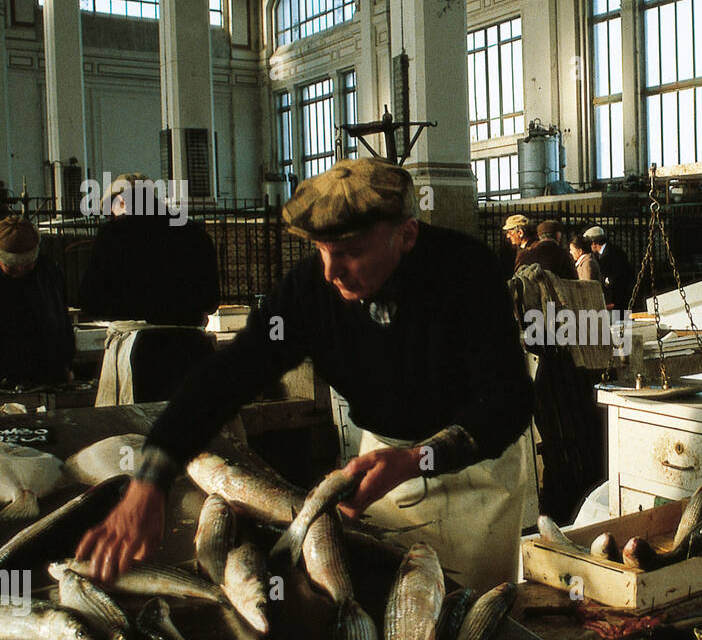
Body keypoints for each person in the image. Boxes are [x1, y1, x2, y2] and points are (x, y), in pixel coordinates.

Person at [77, 158, 535, 589]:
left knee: (462, 616)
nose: (332, 271)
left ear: (407, 234)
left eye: (352, 252)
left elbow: (508, 402)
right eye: (321, 251)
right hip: (378, 464)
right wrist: (151, 478)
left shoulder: (465, 271)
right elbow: (226, 377)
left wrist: (418, 460)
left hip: (475, 474)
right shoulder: (308, 290)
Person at [76, 173, 222, 403]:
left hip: (139, 354)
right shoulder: (193, 231)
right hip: (192, 349)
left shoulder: (113, 235)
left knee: (136, 433)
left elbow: (91, 298)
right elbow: (211, 300)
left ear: (121, 202)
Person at [0, 217, 74, 388]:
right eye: (12, 266)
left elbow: (62, 320)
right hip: (2, 378)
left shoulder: (49, 274)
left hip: (49, 373)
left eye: (27, 264)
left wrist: (67, 363)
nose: (20, 270)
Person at [583, 225, 634, 310]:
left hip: (619, 298)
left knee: (621, 322)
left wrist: (606, 282)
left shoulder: (612, 253)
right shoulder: (606, 252)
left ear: (594, 243)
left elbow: (620, 276)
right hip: (615, 298)